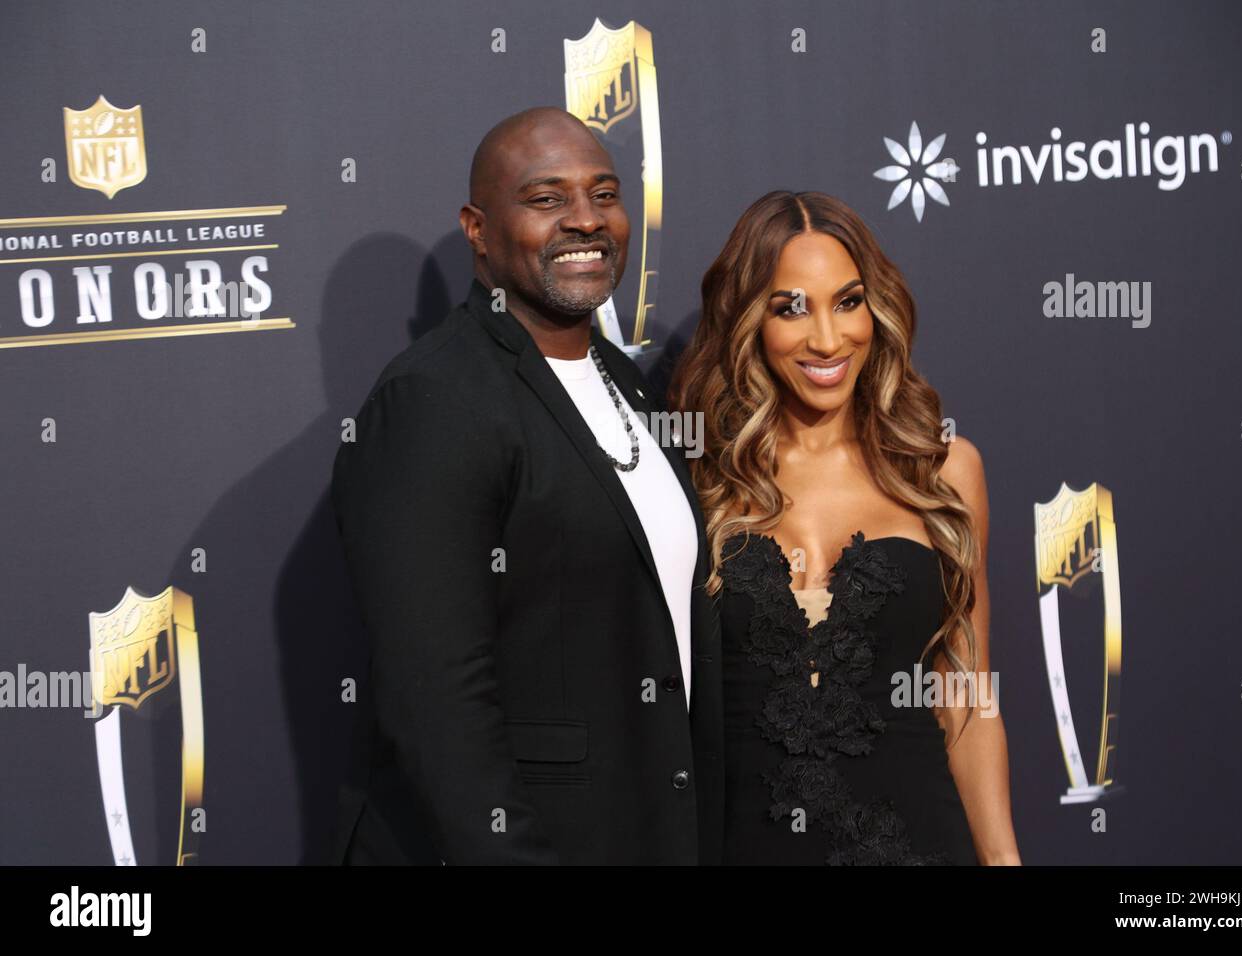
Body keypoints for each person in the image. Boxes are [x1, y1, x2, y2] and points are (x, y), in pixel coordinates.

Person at [330, 107, 722, 864]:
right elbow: (436, 699)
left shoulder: (626, 381)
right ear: (478, 228)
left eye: (604, 195)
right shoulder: (434, 400)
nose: (586, 221)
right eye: (547, 200)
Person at [670, 190, 1020, 865]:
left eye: (848, 301)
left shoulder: (942, 470)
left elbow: (967, 700)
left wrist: (1004, 863)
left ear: (876, 306)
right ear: (749, 322)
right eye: (790, 308)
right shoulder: (700, 479)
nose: (828, 339)